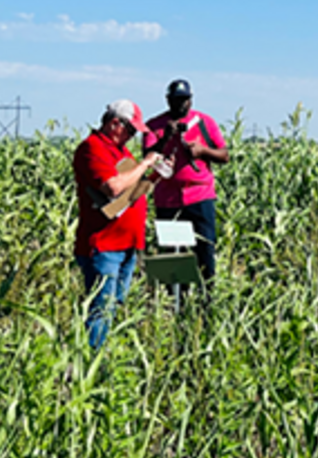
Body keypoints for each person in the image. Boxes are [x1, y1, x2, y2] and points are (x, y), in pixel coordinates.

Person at [73, 100, 172, 349]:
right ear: (115, 123)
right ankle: (91, 367)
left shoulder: (122, 151)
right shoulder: (91, 148)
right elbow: (113, 187)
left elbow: (132, 193)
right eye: (131, 129)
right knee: (100, 312)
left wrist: (157, 174)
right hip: (104, 245)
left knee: (113, 308)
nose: (133, 135)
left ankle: (102, 362)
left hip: (127, 244)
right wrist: (145, 163)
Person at [143, 78, 230, 316]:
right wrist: (165, 139)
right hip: (168, 200)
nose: (181, 104)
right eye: (176, 100)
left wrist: (202, 151)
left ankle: (207, 304)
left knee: (205, 252)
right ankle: (174, 306)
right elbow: (146, 156)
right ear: (168, 100)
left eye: (185, 100)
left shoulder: (204, 122)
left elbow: (224, 155)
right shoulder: (155, 125)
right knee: (171, 255)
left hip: (200, 196)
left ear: (191, 100)